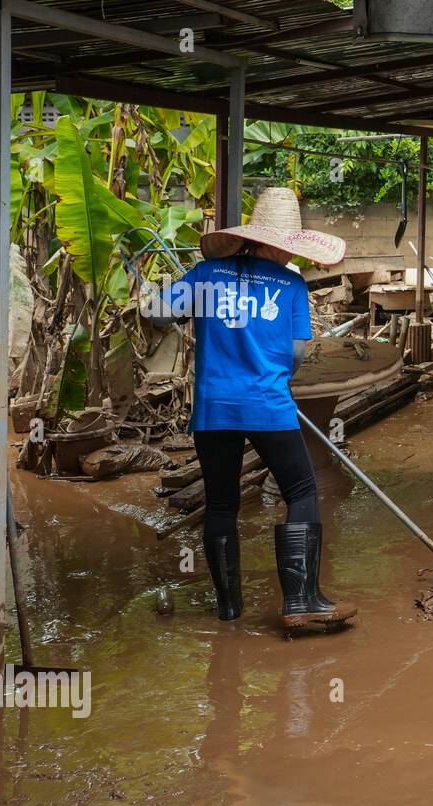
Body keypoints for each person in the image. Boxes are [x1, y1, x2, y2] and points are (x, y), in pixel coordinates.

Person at [149, 187, 357, 629]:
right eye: (283, 248)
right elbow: (298, 355)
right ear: (264, 242)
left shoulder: (207, 274)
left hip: (214, 409)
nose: (286, 256)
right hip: (267, 404)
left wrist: (170, 293)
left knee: (222, 504)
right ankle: (301, 602)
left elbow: (156, 313)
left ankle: (228, 609)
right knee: (301, 493)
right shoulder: (292, 284)